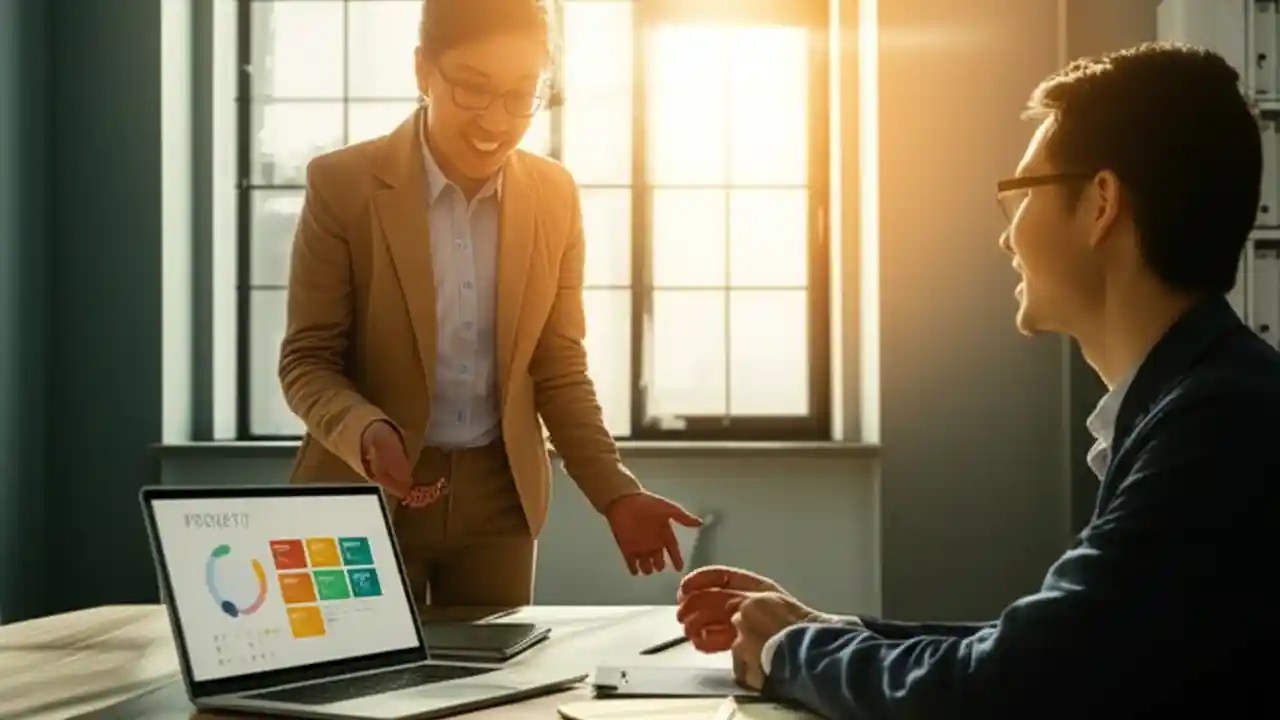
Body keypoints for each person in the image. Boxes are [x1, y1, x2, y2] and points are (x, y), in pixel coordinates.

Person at [675, 41, 1279, 718]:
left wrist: (795, 651)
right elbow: (1059, 647)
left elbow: (1017, 685)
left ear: (1100, 204)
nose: (1006, 238)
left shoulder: (1217, 426)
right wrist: (826, 633)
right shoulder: (1209, 400)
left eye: (1020, 196)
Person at [279, 0, 700, 609]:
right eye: (473, 90)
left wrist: (617, 493)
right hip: (358, 492)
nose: (496, 120)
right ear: (423, 70)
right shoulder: (343, 185)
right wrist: (364, 429)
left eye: (521, 94)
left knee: (495, 671)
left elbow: (558, 366)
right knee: (358, 668)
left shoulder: (553, 195)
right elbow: (307, 361)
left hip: (499, 503)